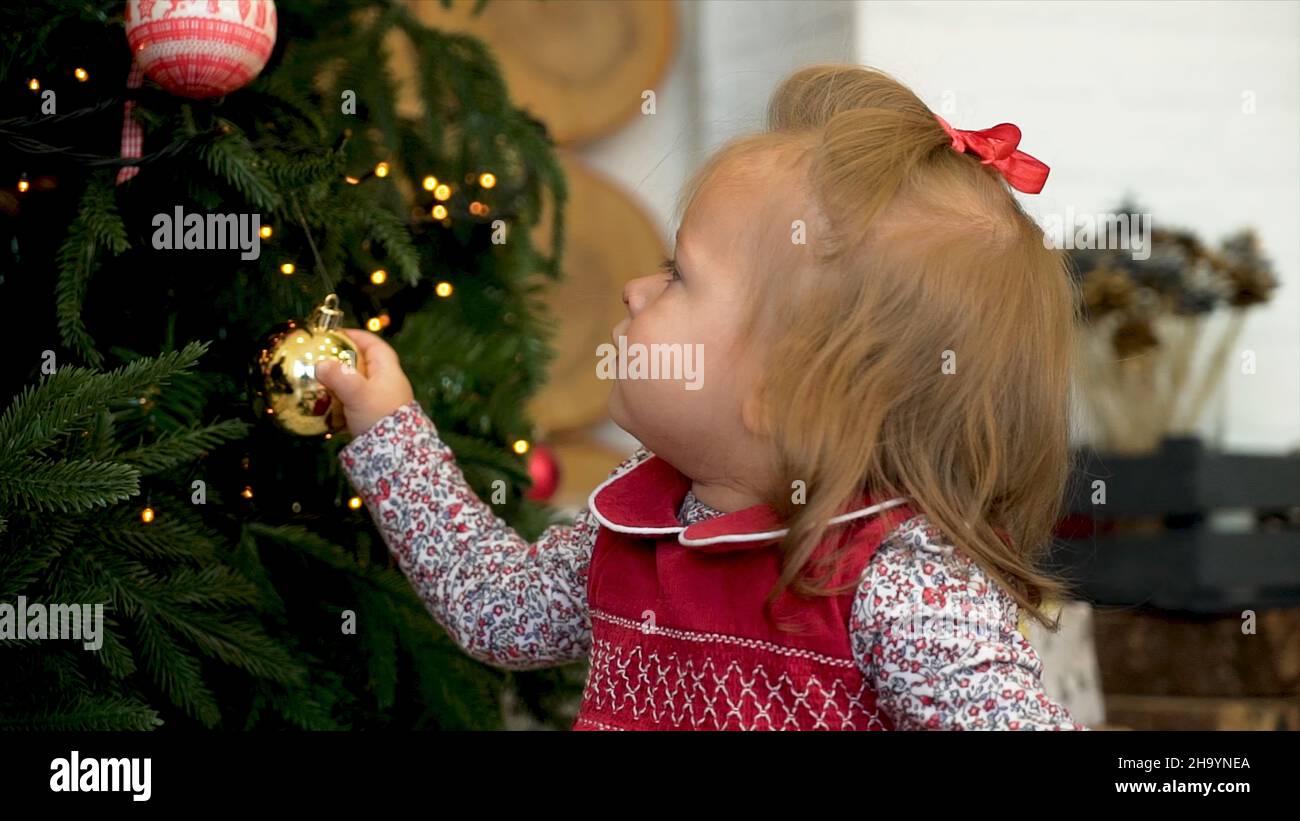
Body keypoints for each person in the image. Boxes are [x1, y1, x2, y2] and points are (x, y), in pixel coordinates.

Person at [316, 64, 1088, 731]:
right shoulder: (630, 528)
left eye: (678, 275)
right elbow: (498, 609)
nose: (634, 288)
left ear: (789, 391)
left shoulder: (896, 588)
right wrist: (388, 424)